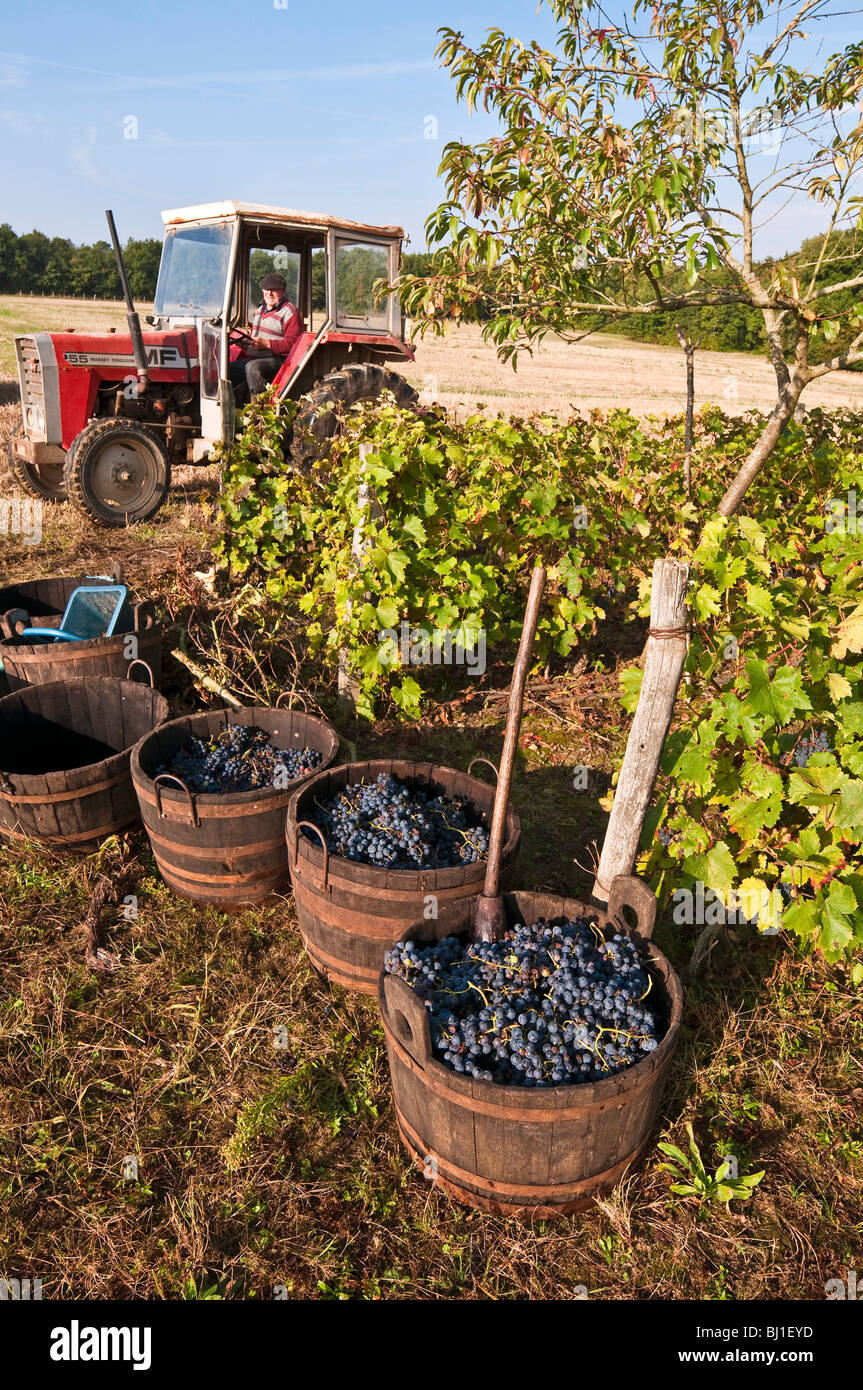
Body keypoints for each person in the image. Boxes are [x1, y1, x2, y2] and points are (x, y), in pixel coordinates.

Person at [229, 272, 303, 402]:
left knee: (252, 368)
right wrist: (247, 342)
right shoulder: (260, 310)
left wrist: (267, 344)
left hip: (278, 359)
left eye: (274, 290)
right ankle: (236, 406)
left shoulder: (290, 311)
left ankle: (259, 410)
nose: (269, 293)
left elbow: (294, 344)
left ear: (283, 291)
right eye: (267, 290)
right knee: (229, 369)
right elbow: (258, 338)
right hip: (258, 356)